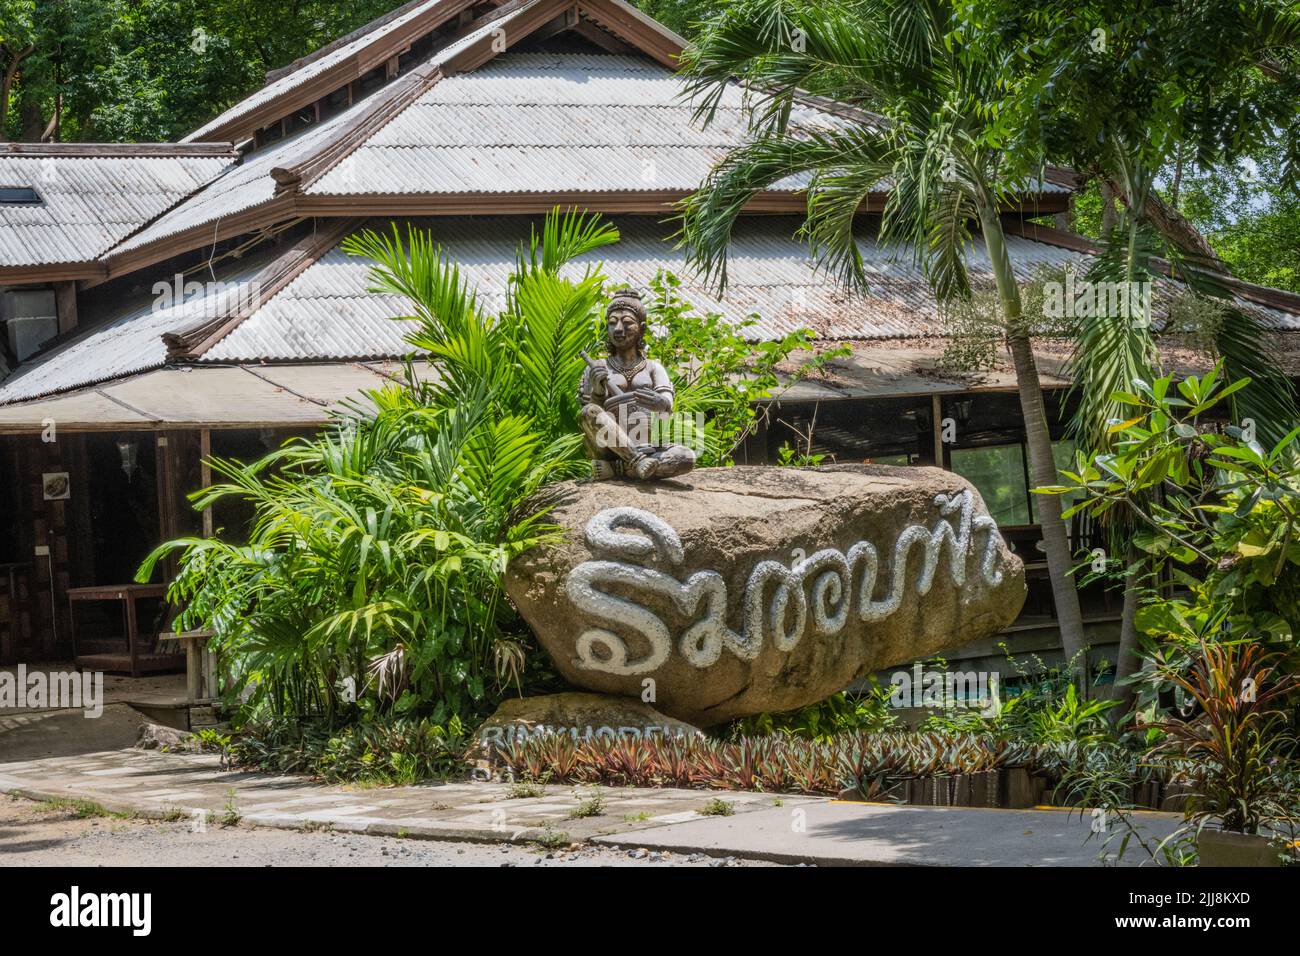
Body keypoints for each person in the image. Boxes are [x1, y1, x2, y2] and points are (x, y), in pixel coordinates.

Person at [578, 288, 696, 481]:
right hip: (608, 447)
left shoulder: (653, 368)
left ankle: (618, 470)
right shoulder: (597, 368)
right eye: (612, 323)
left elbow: (667, 407)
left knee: (686, 457)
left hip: (647, 443)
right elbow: (591, 417)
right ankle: (635, 462)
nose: (618, 329)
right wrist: (598, 391)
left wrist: (661, 403)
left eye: (627, 323)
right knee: (588, 412)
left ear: (642, 328)